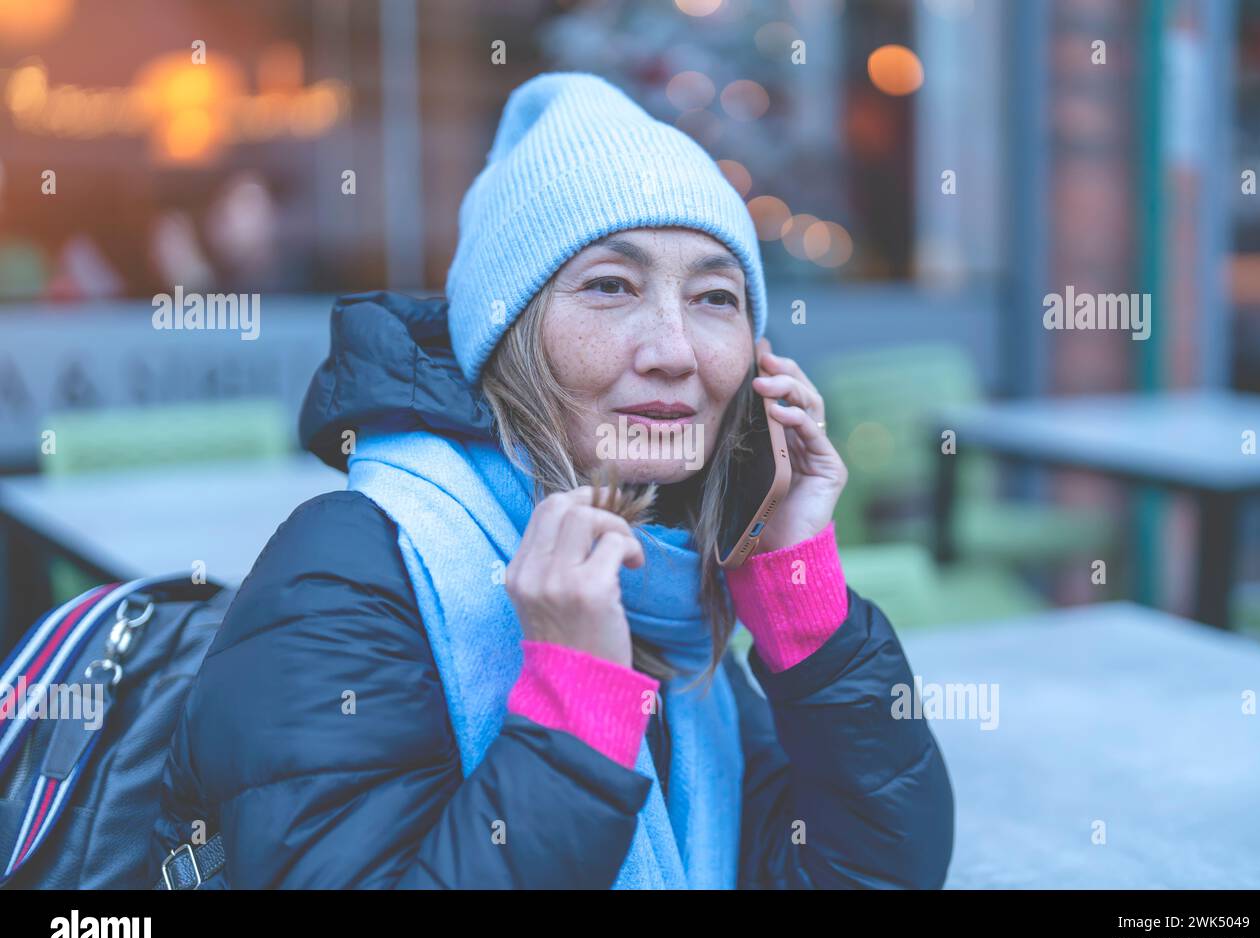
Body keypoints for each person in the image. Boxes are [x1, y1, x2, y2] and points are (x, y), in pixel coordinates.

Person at [151, 72, 954, 889]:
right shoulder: (348, 571)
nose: (674, 349)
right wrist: (573, 705)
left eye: (716, 296)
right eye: (610, 286)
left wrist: (801, 598)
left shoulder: (673, 577)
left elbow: (862, 876)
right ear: (510, 336)